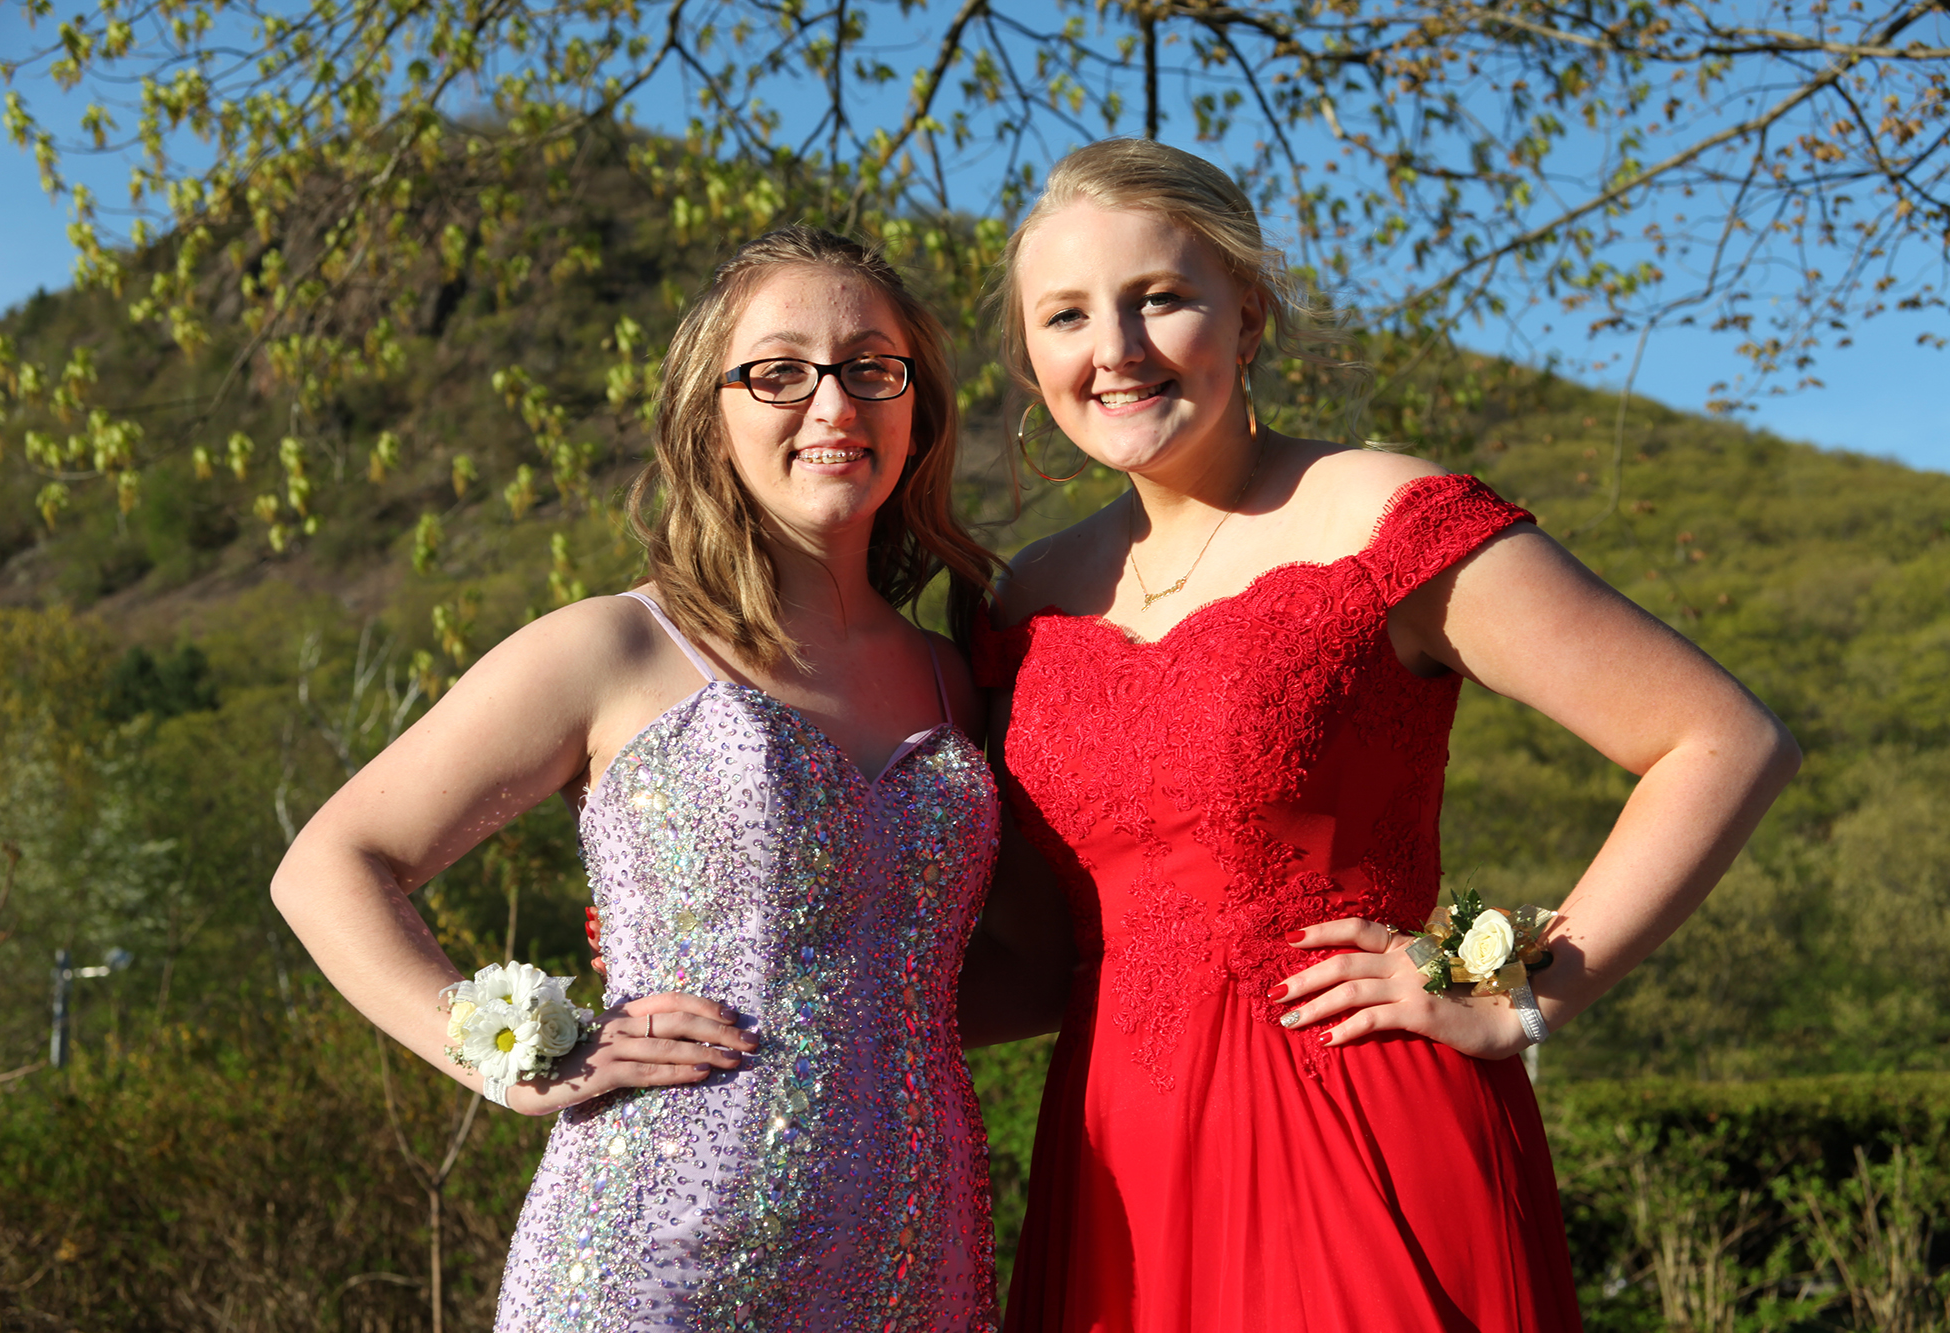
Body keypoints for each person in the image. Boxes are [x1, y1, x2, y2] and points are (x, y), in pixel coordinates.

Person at [971, 139, 1801, 1332]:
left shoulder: (1382, 516)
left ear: (1245, 315)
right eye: (1066, 316)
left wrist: (1509, 987)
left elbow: (1717, 739)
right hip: (1114, 1169)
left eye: (1159, 298)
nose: (1116, 349)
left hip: (1358, 1113)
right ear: (1029, 356)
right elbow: (1037, 951)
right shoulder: (1022, 603)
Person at [271, 226, 1006, 1330]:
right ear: (708, 415)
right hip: (652, 1256)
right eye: (777, 371)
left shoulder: (967, 674)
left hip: (915, 1255)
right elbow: (329, 865)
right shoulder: (614, 647)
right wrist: (515, 1056)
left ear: (917, 405)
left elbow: (1022, 967)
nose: (832, 403)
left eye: (870, 366)